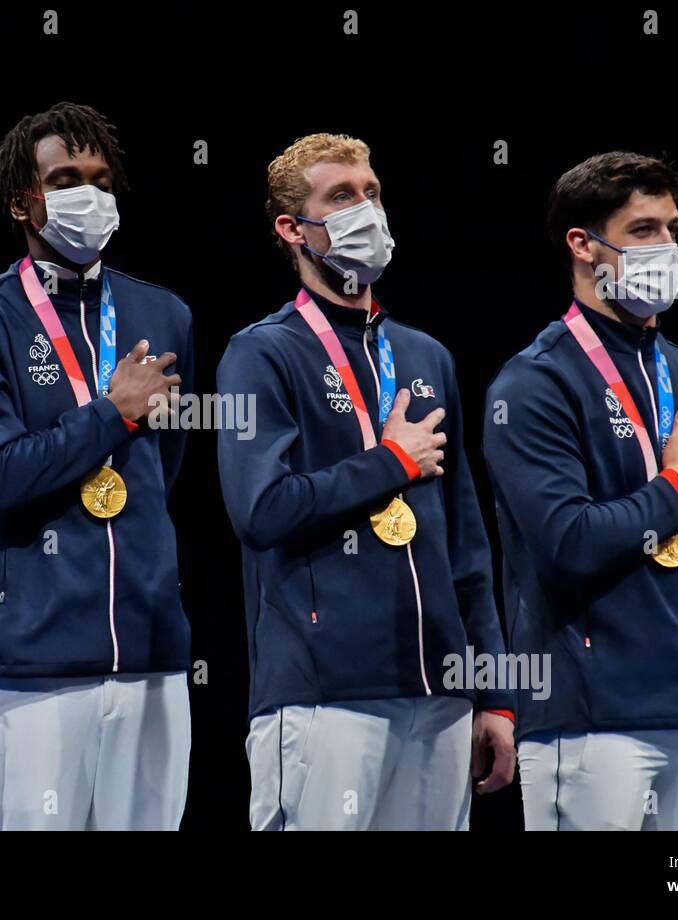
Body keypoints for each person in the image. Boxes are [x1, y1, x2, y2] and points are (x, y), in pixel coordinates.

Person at [481, 151, 678, 830]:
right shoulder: (533, 385)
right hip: (592, 722)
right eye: (644, 230)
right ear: (584, 245)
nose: (667, 248)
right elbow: (568, 544)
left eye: (673, 230)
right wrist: (677, 485)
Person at [216, 133, 515, 830]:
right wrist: (390, 464)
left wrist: (495, 694)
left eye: (372, 193)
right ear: (292, 228)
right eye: (341, 197)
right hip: (323, 696)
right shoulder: (260, 354)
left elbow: (467, 544)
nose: (365, 210)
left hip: (440, 696)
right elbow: (262, 510)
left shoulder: (425, 356)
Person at [0, 102, 193, 830]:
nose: (90, 196)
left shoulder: (164, 313)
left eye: (101, 180)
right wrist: (111, 413)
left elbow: (161, 474)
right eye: (66, 178)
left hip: (151, 657)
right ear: (22, 200)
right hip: (29, 665)